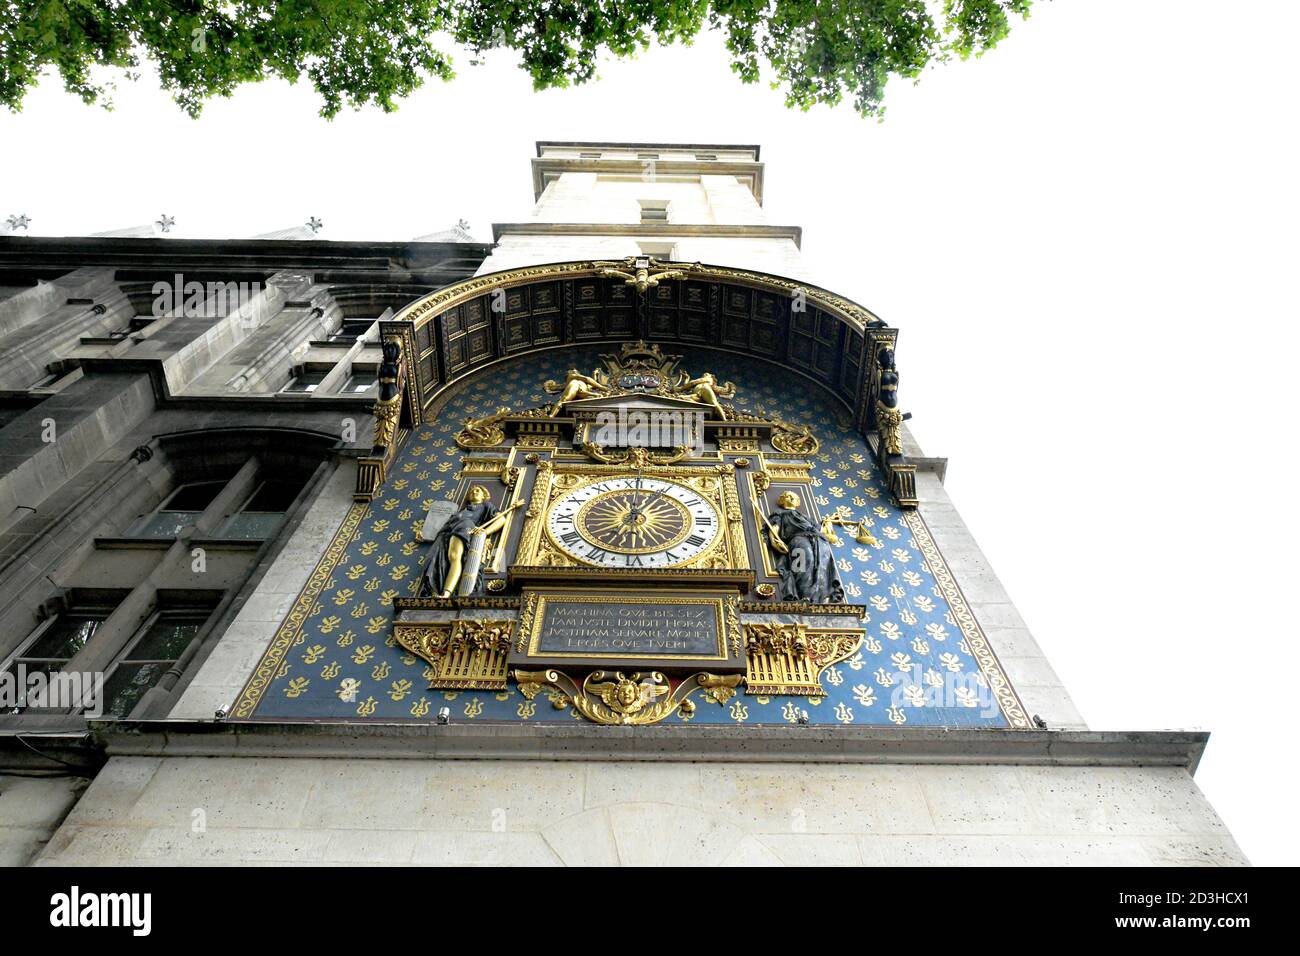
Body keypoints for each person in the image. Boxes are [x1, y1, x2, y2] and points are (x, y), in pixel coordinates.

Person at [764, 491, 845, 603]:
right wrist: (774, 542)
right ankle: (805, 595)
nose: (791, 498)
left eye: (794, 497)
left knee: (822, 564)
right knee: (804, 562)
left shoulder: (805, 517)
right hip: (798, 539)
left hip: (818, 540)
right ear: (782, 499)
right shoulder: (780, 513)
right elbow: (774, 529)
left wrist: (829, 521)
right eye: (788, 496)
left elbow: (821, 530)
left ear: (797, 502)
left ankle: (821, 595)